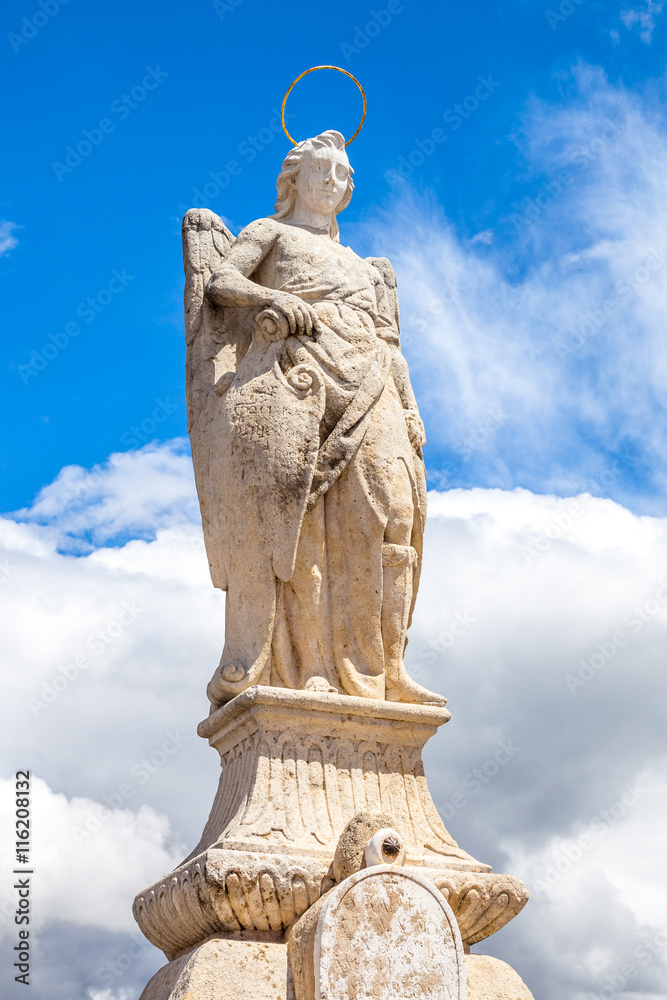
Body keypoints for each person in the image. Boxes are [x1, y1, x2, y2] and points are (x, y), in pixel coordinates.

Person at [192, 130, 444, 709]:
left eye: (343, 173)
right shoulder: (269, 232)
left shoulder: (369, 268)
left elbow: (390, 341)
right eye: (322, 170)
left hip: (373, 380)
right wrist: (270, 300)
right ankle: (310, 668)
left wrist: (407, 405)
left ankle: (388, 667)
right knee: (304, 523)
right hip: (298, 373)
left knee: (395, 513)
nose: (334, 181)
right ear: (295, 180)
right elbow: (221, 284)